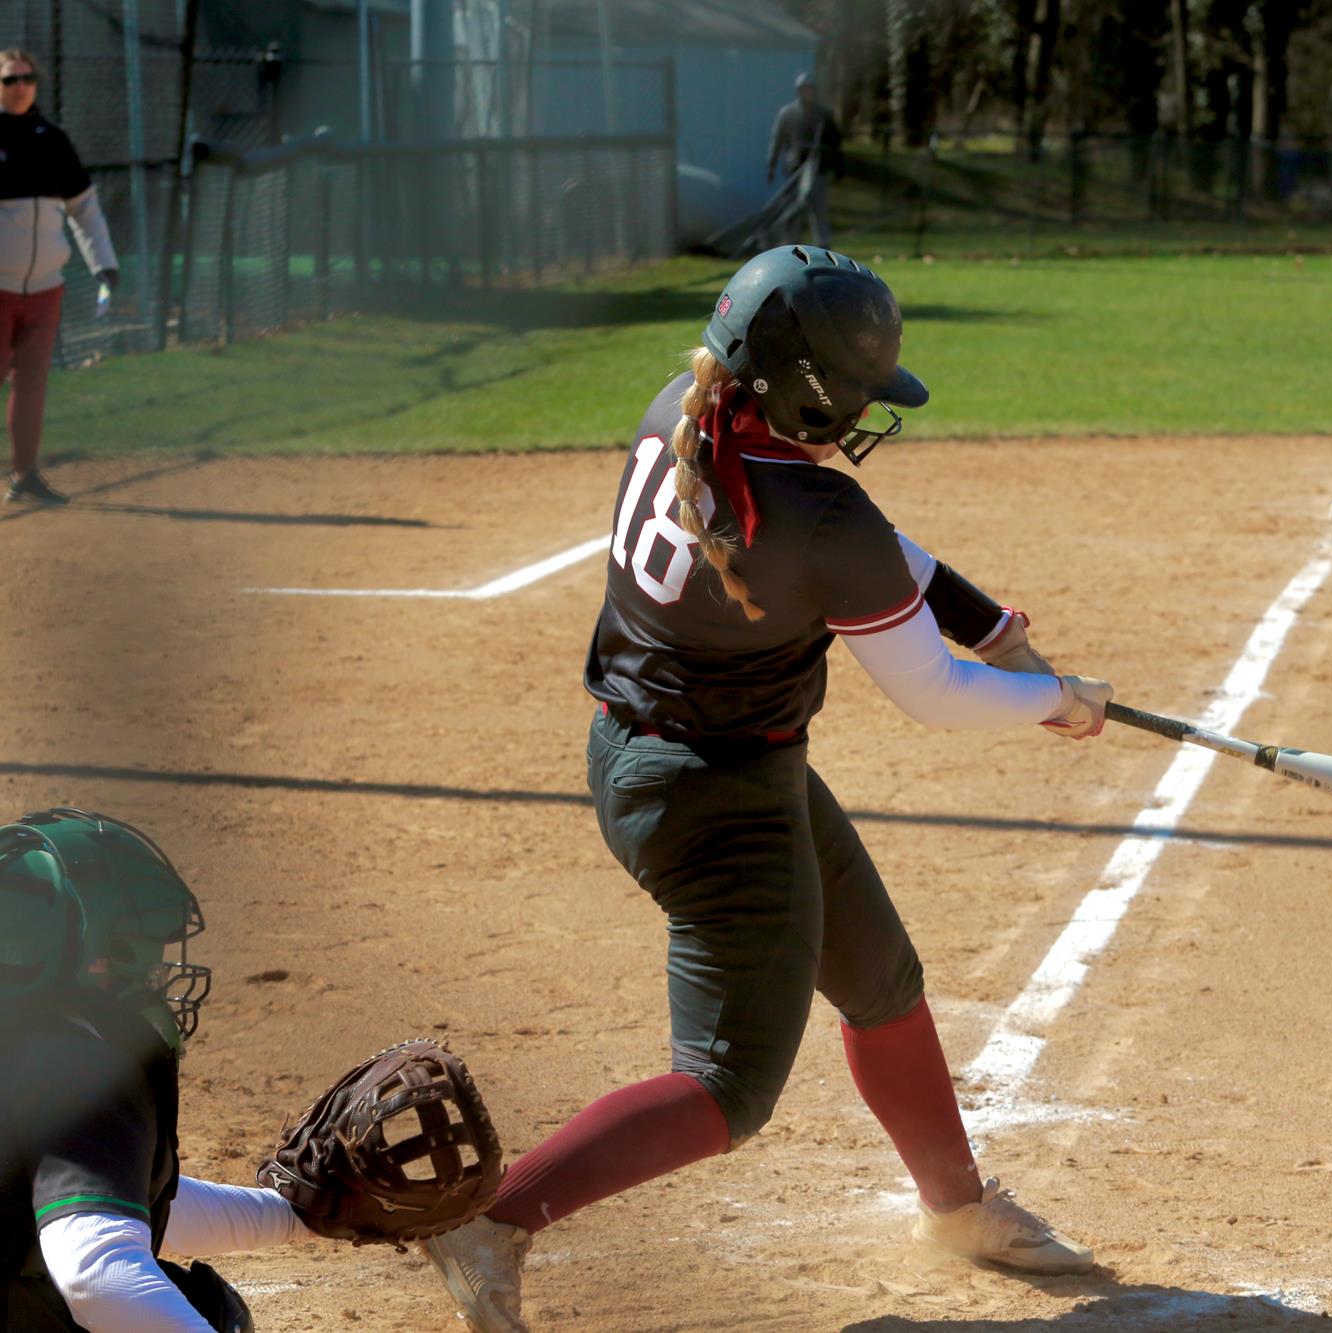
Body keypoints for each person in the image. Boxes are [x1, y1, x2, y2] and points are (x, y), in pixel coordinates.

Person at [421, 246, 1113, 1332]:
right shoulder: (819, 520)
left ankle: (959, 1209)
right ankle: (491, 1222)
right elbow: (928, 693)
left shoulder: (685, 407)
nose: (868, 413)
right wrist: (1054, 698)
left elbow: (880, 552)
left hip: (680, 757)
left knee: (880, 978)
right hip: (711, 799)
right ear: (808, 390)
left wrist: (994, 627)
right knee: (727, 1083)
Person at [0, 808, 321, 1332]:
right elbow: (97, 1272)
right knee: (208, 1315)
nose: (158, 976)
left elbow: (119, 1207)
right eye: (146, 955)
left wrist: (296, 1215)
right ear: (96, 959)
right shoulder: (80, 1072)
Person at [0, 49, 119, 511]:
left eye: (28, 79)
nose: (21, 86)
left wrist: (103, 262)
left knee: (33, 381)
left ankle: (25, 477)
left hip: (44, 286)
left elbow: (84, 208)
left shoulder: (50, 138)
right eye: (11, 79)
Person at [765, 73, 843, 248]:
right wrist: (771, 165)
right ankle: (791, 246)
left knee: (818, 211)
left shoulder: (823, 115)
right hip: (795, 172)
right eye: (804, 90)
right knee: (793, 211)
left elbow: (835, 143)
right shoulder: (788, 114)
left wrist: (839, 167)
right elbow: (777, 140)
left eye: (810, 89)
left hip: (818, 171)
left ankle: (823, 246)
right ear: (799, 91)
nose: (807, 93)